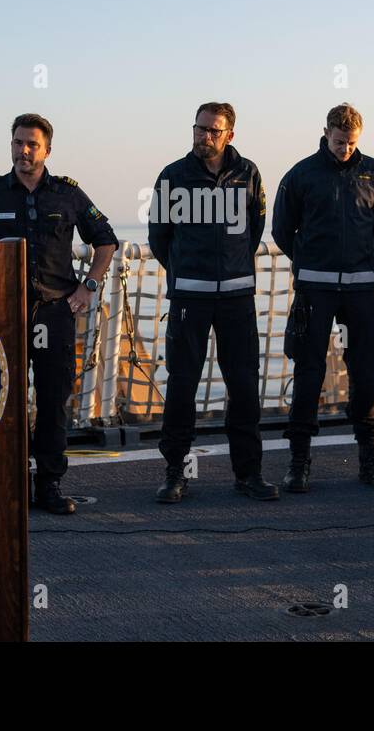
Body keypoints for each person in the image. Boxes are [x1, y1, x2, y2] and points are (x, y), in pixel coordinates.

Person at [0, 113, 118, 515]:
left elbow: (105, 240)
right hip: (2, 314)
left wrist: (88, 286)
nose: (23, 151)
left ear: (47, 150)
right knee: (6, 401)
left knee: (55, 400)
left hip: (55, 312)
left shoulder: (68, 194)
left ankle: (50, 485)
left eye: (32, 144)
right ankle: (12, 481)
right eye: (17, 143)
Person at [147, 103, 277, 503]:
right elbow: (159, 237)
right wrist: (188, 272)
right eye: (199, 129)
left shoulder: (248, 173)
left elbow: (255, 228)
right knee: (183, 385)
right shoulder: (173, 176)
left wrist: (232, 268)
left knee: (243, 386)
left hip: (237, 297)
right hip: (189, 296)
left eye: (212, 131)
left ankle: (248, 474)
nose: (203, 137)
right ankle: (175, 474)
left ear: (229, 135)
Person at [272, 104, 374, 493]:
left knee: (365, 371)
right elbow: (281, 229)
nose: (345, 148)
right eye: (339, 141)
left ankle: (370, 459)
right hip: (315, 287)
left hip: (361, 288)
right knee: (309, 372)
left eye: (351, 142)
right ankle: (298, 463)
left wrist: (359, 256)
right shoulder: (301, 174)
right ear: (325, 133)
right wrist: (312, 258)